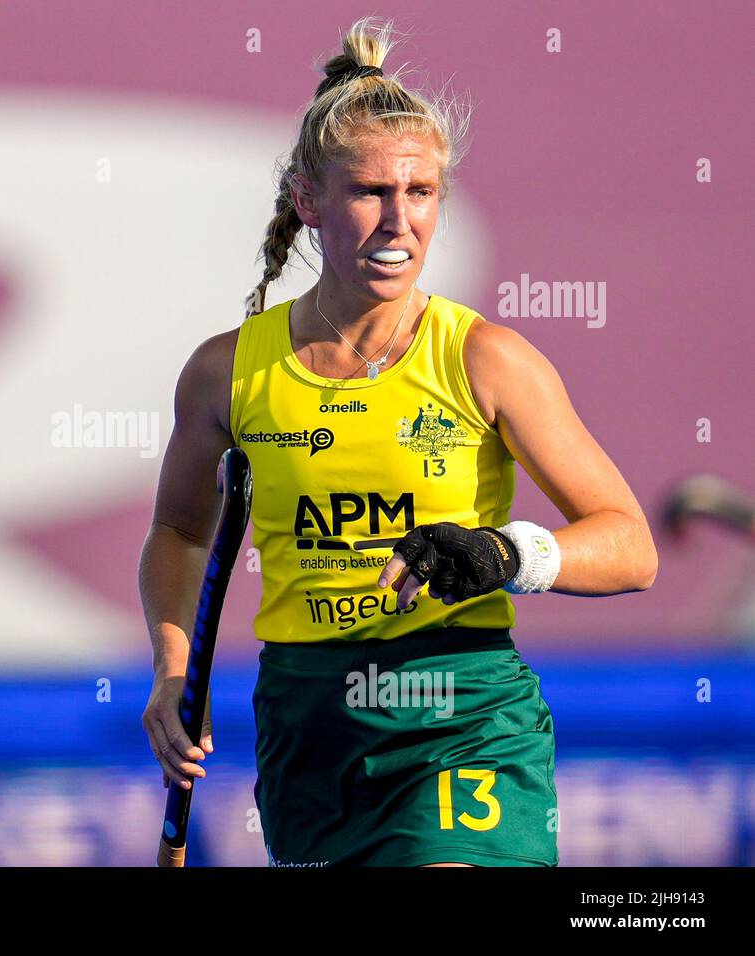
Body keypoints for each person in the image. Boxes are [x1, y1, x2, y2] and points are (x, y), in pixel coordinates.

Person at [139, 17, 656, 867]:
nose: (399, 222)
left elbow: (630, 547)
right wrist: (172, 670)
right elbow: (181, 532)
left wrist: (502, 554)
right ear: (308, 200)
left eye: (421, 194)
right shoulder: (227, 372)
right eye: (370, 192)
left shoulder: (486, 359)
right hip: (310, 727)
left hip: (461, 711)